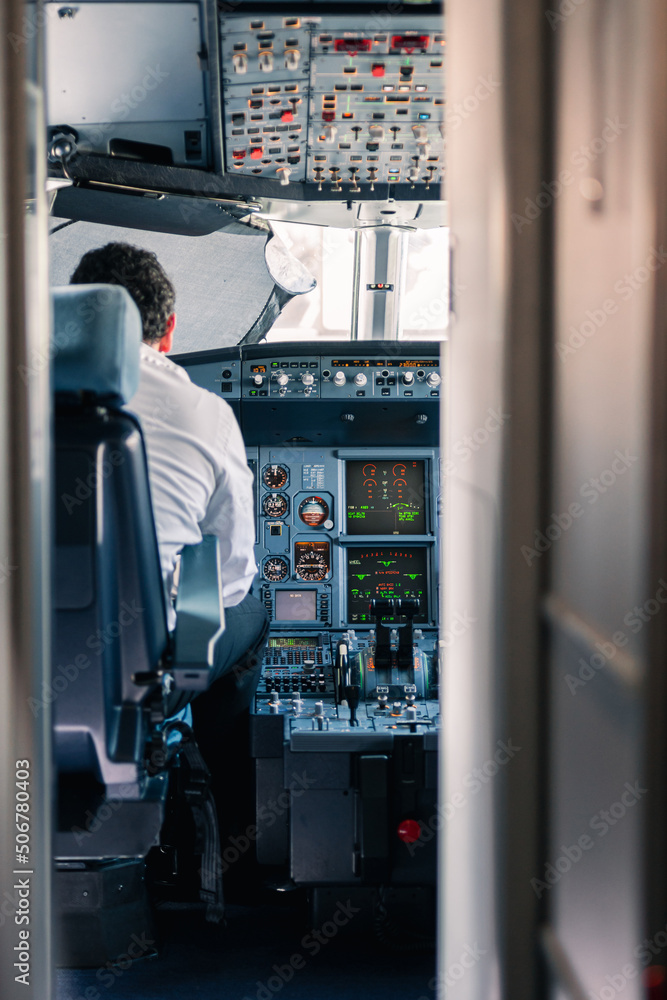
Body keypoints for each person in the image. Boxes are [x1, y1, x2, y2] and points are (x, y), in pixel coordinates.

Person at [70, 242, 269, 851]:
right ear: (171, 327)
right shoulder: (204, 413)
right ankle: (237, 839)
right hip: (136, 672)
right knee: (250, 607)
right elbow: (232, 573)